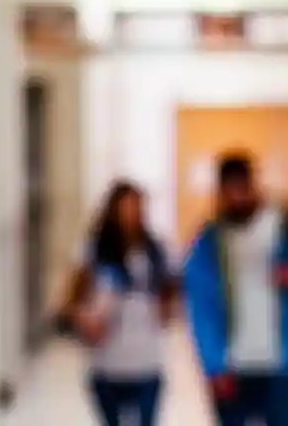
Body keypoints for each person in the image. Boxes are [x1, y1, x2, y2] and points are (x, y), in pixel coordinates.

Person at [183, 153, 288, 426]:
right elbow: (201, 308)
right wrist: (213, 365)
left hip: (282, 366)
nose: (236, 198)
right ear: (219, 192)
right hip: (231, 367)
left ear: (253, 184)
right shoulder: (209, 242)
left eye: (241, 188)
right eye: (228, 191)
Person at [71, 180, 176, 426]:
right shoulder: (93, 251)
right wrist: (86, 320)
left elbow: (170, 294)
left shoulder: (156, 251)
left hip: (147, 360)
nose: (131, 215)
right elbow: (72, 299)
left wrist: (165, 308)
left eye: (136, 208)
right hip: (107, 362)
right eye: (125, 208)